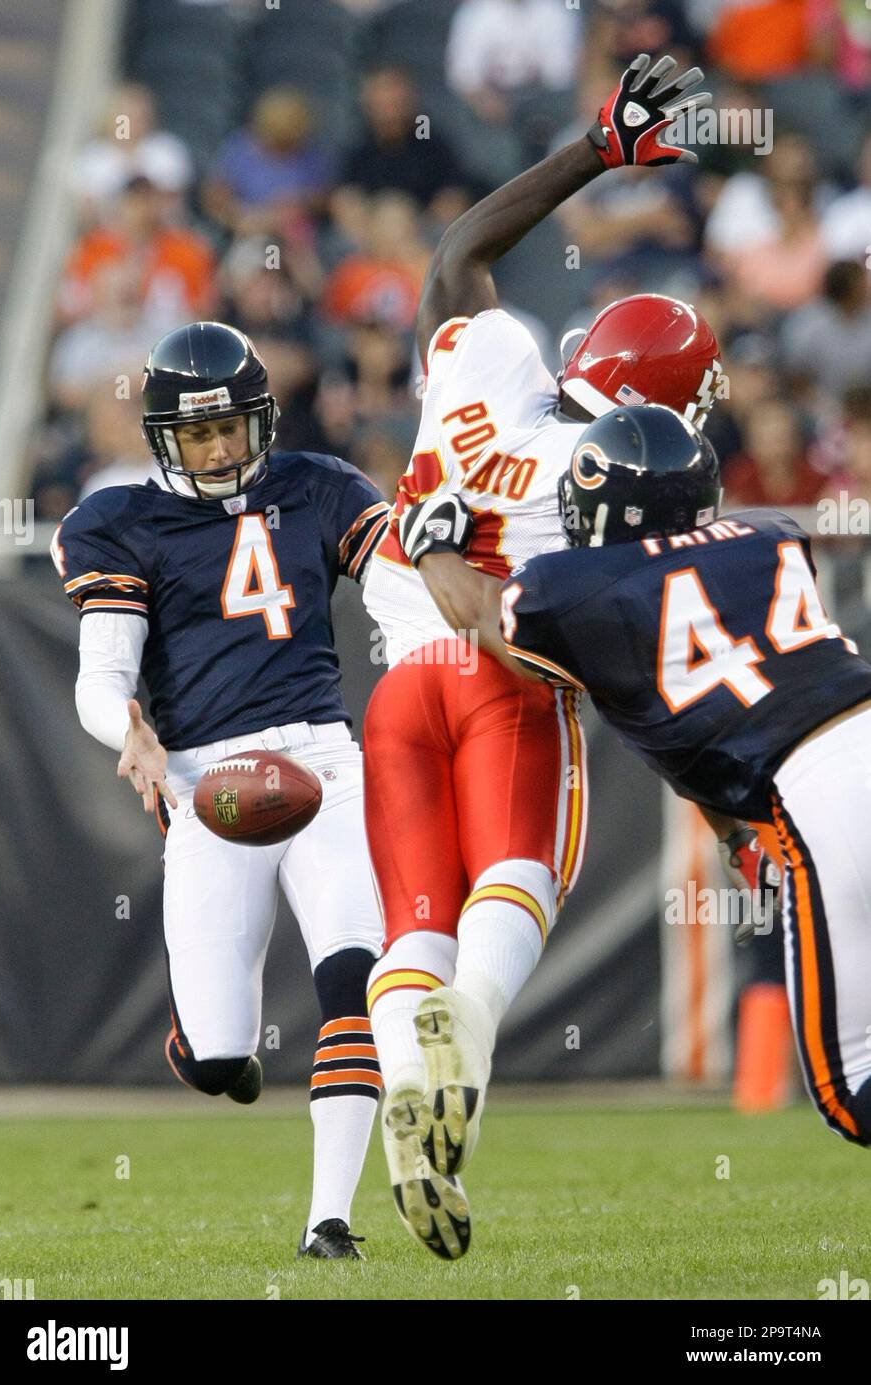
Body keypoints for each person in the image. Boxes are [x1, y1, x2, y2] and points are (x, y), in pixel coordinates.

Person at [360, 53, 769, 1259]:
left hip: (397, 683)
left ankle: (408, 1091)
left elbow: (457, 254)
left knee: (411, 927)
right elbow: (639, 650)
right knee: (522, 884)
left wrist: (595, 147)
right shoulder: (633, 484)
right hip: (507, 676)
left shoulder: (493, 367)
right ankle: (467, 1042)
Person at [411, 402, 871, 1155]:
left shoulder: (577, 585)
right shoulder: (770, 537)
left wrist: (432, 542)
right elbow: (700, 717)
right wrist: (732, 836)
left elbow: (482, 613)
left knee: (851, 1092)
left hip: (819, 791)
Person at [51, 322, 389, 1259]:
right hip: (208, 787)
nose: (220, 448)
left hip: (324, 763)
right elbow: (100, 676)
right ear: (164, 438)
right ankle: (210, 1054)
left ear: (263, 420)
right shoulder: (118, 522)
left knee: (352, 978)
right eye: (198, 435)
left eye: (232, 428)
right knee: (218, 1058)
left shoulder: (320, 485)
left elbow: (400, 589)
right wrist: (132, 733)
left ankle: (330, 1224)